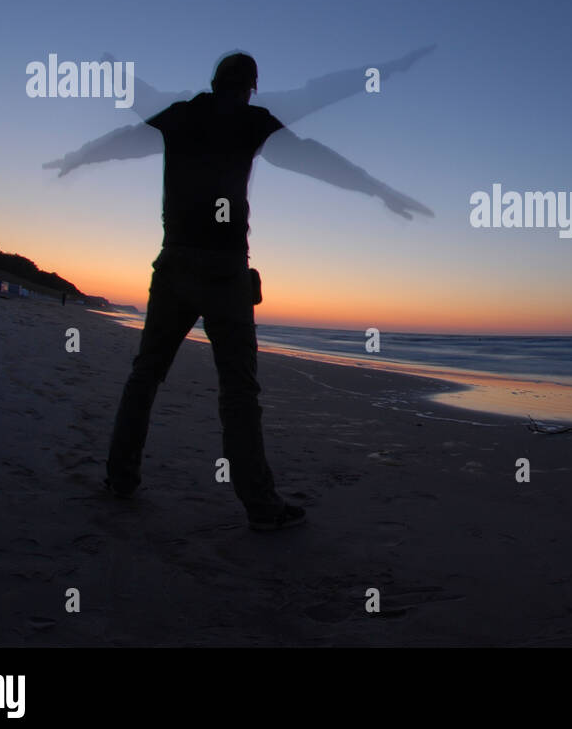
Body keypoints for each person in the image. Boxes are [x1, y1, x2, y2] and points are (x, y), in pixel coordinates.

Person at [104, 51, 432, 531]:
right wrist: (376, 188)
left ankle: (120, 478)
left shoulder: (180, 115)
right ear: (251, 87)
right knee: (238, 391)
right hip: (224, 272)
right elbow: (317, 156)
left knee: (145, 375)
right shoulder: (252, 120)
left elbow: (128, 130)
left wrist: (83, 146)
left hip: (174, 264)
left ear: (214, 80)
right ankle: (259, 504)